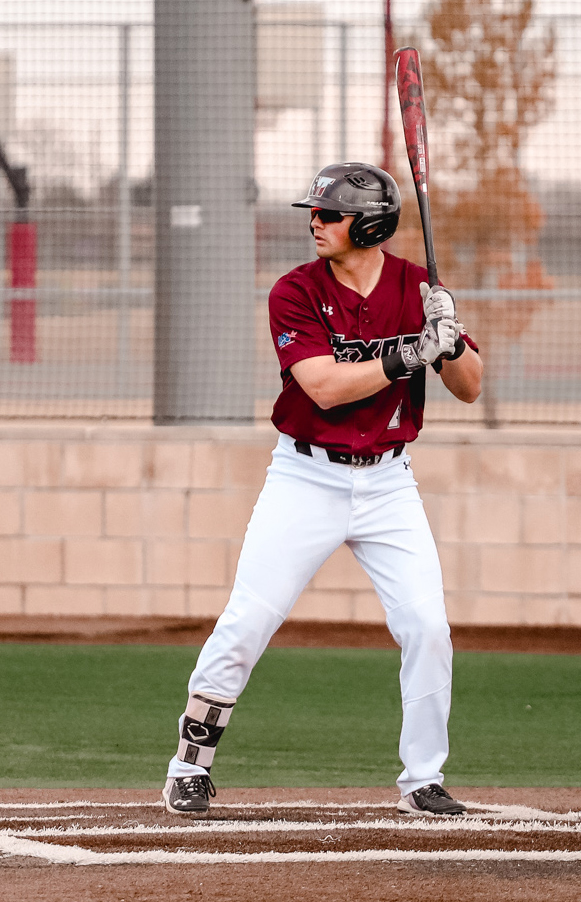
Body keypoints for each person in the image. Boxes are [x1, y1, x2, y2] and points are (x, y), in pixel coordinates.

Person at [160, 162, 483, 817]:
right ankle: (188, 766)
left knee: (427, 627)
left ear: (369, 223)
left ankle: (423, 779)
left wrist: (449, 342)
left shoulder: (418, 287)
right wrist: (410, 355)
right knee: (249, 619)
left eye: (329, 213)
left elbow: (471, 386)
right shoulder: (295, 291)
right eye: (315, 211)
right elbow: (324, 387)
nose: (315, 221)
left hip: (390, 482)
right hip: (305, 478)